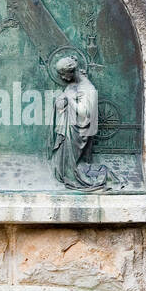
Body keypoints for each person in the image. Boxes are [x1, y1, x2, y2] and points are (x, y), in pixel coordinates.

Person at [50, 55, 108, 190]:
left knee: (69, 164)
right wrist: (61, 101)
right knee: (62, 163)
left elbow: (83, 112)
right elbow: (66, 100)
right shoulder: (74, 84)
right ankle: (66, 172)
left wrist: (69, 99)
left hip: (77, 131)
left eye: (63, 75)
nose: (62, 78)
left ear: (71, 72)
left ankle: (74, 174)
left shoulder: (89, 89)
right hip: (69, 127)